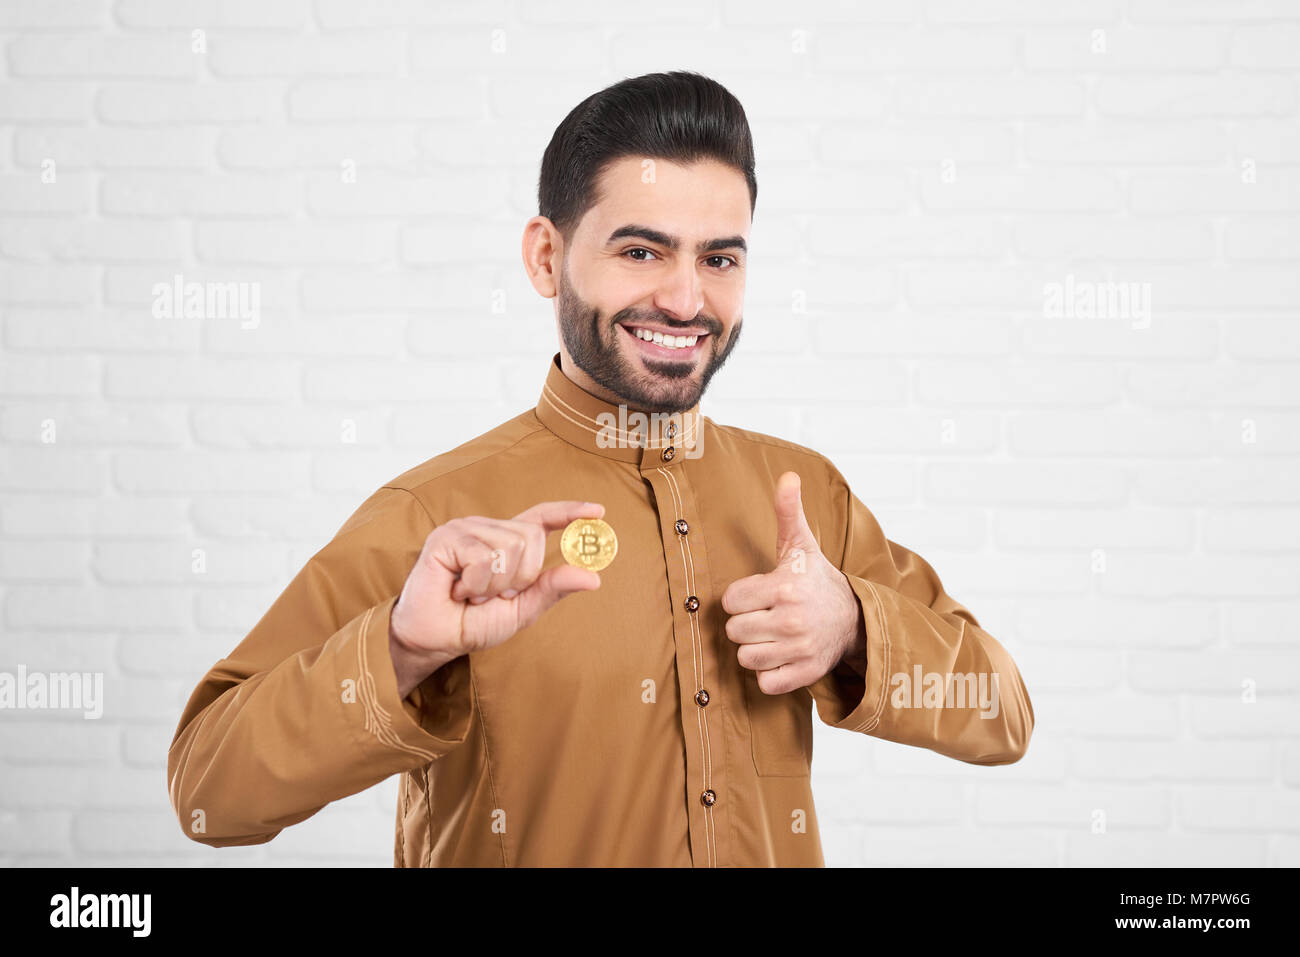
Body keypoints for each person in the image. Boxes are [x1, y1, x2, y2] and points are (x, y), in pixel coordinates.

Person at [167, 71, 1033, 867]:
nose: (687, 300)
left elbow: (1004, 714)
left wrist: (851, 627)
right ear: (547, 257)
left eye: (719, 258)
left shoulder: (803, 497)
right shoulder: (434, 515)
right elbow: (209, 793)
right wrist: (399, 649)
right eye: (642, 251)